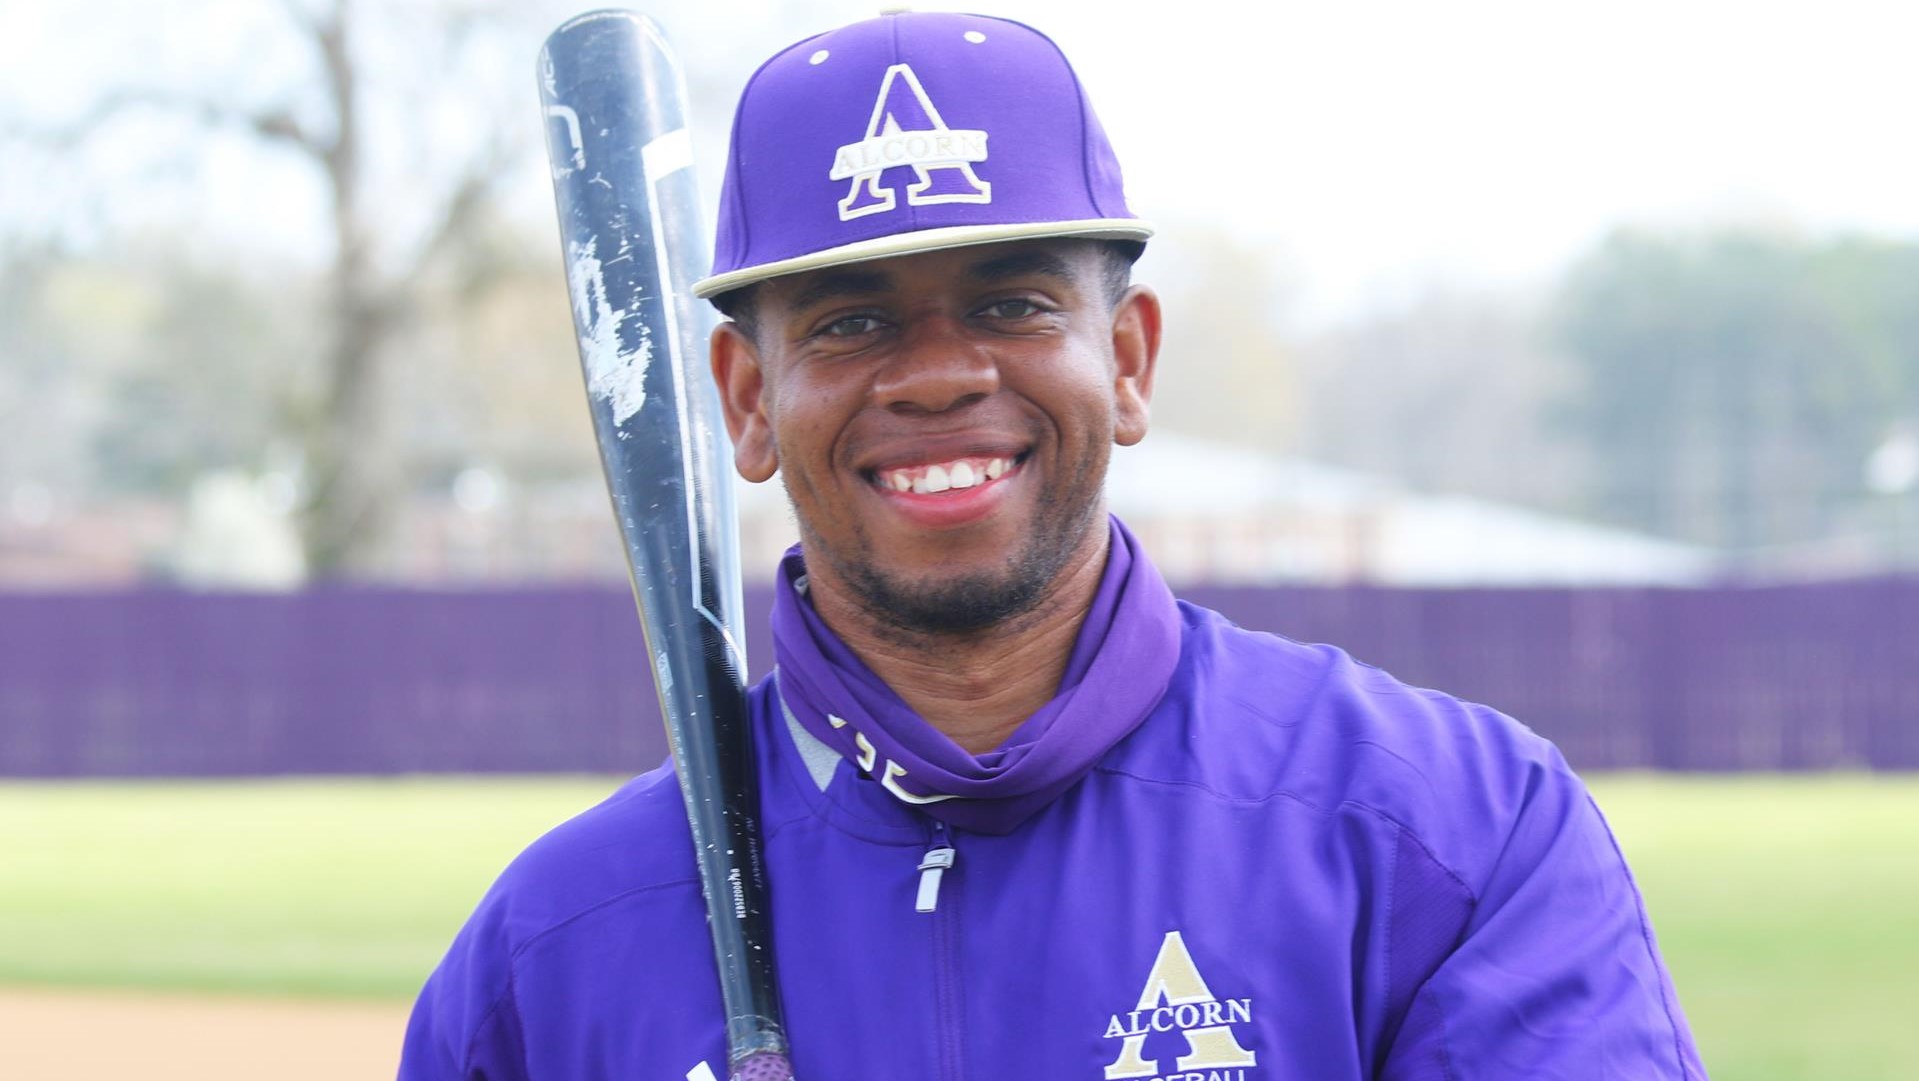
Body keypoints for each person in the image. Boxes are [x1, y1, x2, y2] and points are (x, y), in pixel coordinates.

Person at [402, 11, 1707, 1079]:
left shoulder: (1447, 834)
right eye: (852, 322)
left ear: (1128, 359)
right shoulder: (557, 949)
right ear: (746, 399)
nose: (938, 374)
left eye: (1012, 301)